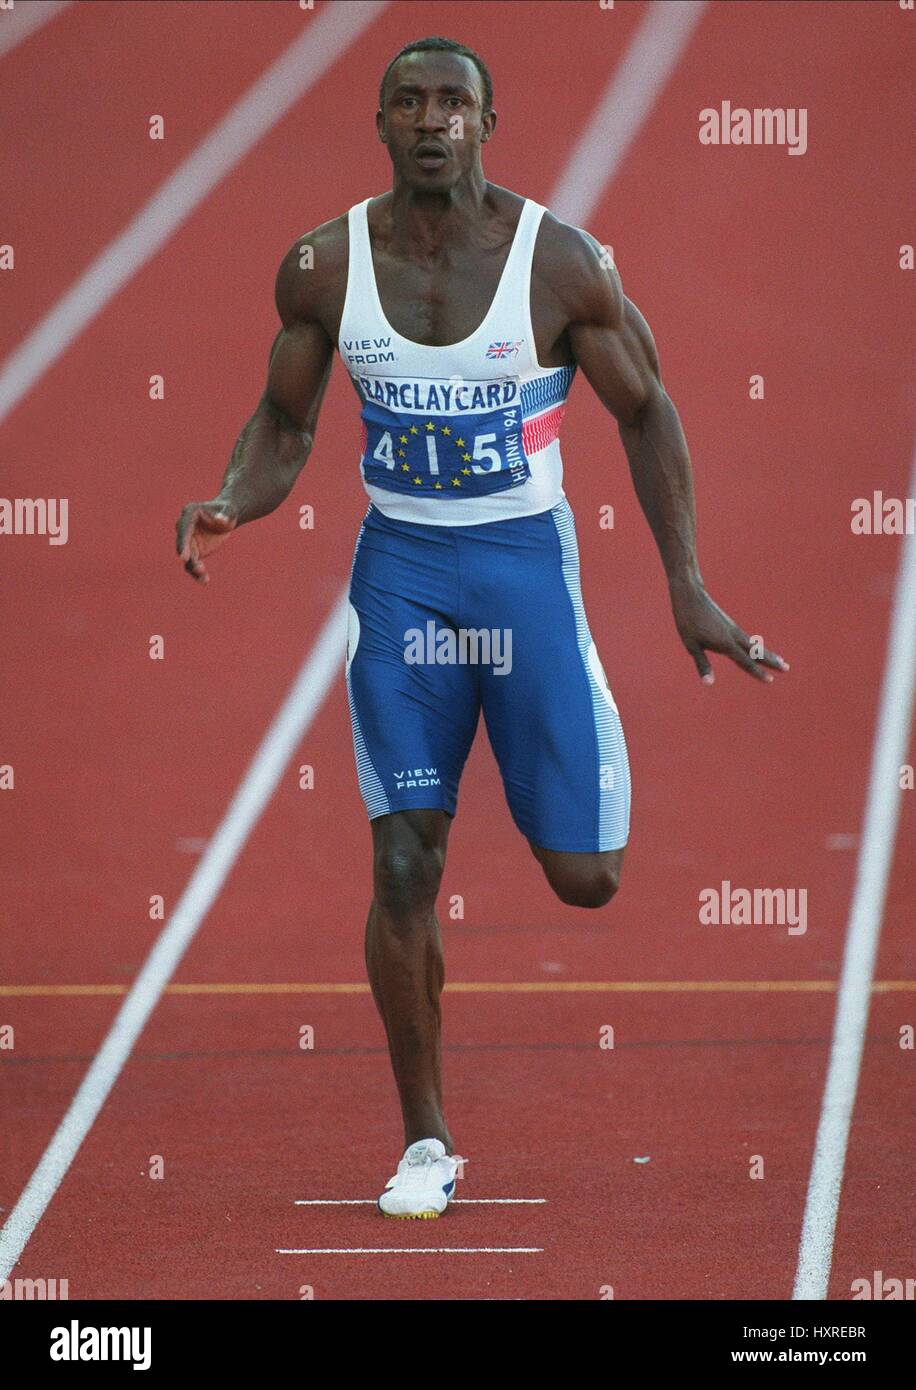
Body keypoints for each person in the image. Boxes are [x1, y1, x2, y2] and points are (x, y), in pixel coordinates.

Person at [176, 36, 788, 1220]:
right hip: (402, 577)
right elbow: (284, 421)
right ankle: (425, 1142)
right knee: (404, 861)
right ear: (380, 121)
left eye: (452, 102)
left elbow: (648, 411)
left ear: (487, 122)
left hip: (522, 576)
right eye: (408, 100)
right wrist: (232, 499)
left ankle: (570, 728)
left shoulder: (559, 265)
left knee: (587, 881)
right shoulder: (323, 267)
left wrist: (687, 587)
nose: (429, 120)